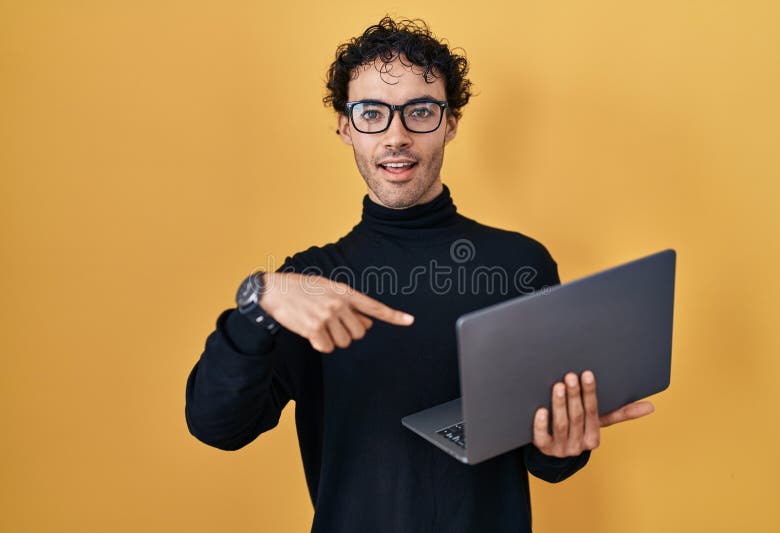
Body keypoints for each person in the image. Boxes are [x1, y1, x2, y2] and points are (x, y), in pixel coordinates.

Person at [184, 16, 654, 533]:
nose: (396, 136)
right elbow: (218, 428)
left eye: (420, 111)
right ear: (345, 127)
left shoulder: (521, 265)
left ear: (450, 123)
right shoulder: (310, 282)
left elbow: (546, 461)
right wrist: (260, 298)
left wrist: (560, 446)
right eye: (372, 114)